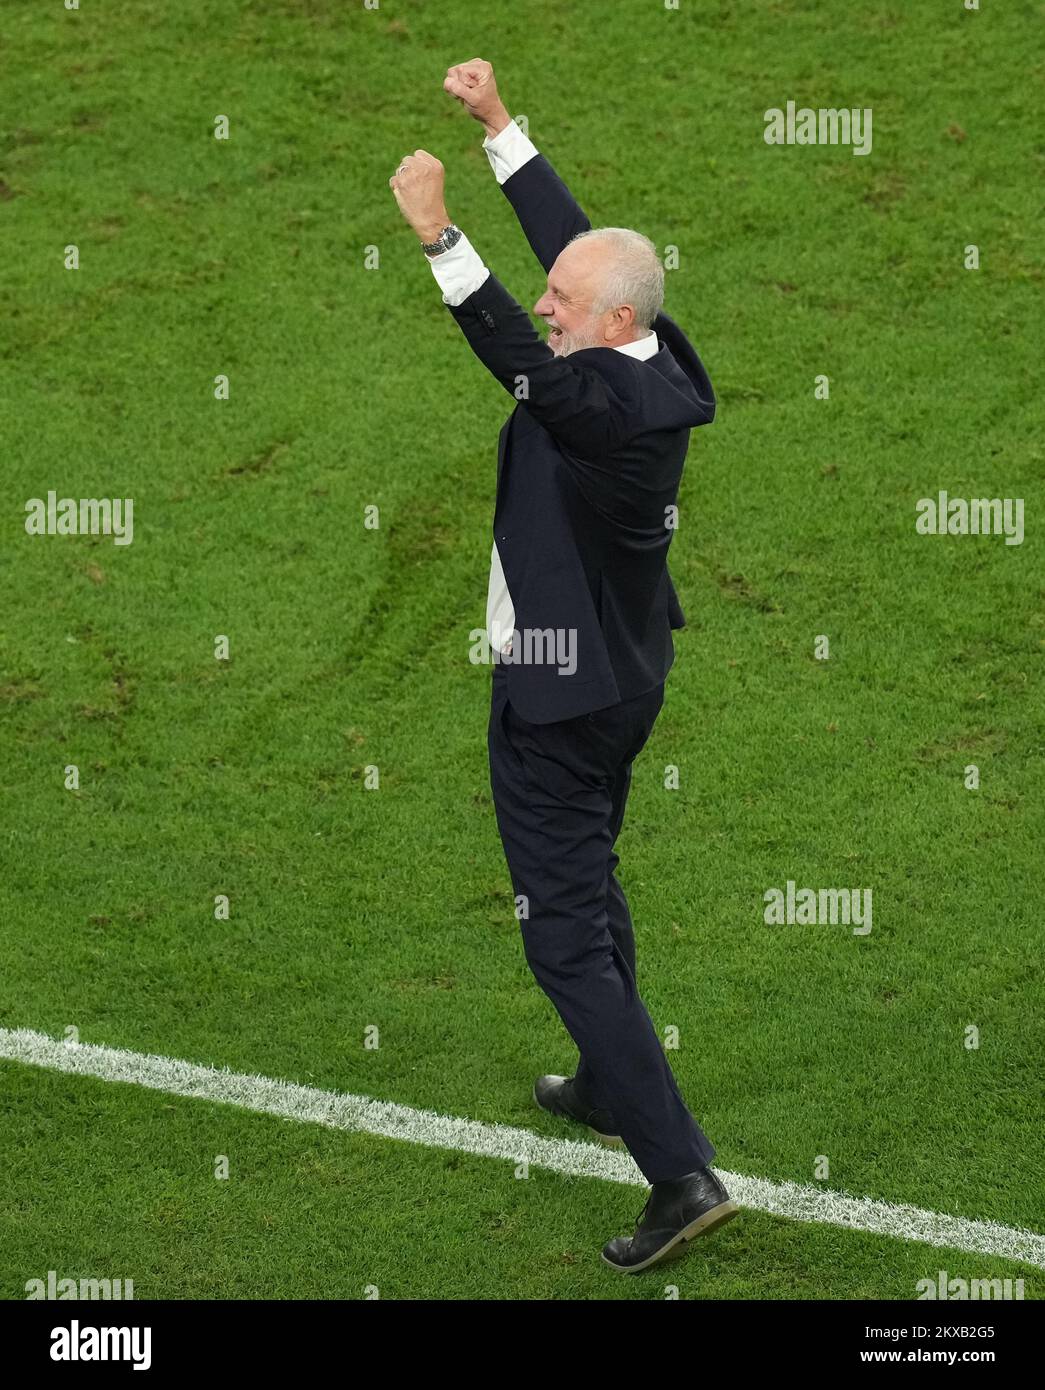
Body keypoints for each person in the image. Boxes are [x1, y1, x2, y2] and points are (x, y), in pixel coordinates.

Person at [388, 58, 736, 1273]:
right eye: (550, 291)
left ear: (614, 331)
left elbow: (513, 355)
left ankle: (680, 1172)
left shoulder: (592, 407)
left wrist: (439, 237)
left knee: (563, 937)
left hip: (556, 692)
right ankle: (607, 1077)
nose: (548, 302)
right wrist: (500, 133)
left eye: (564, 303)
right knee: (592, 880)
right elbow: (580, 257)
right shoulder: (648, 351)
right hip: (621, 671)